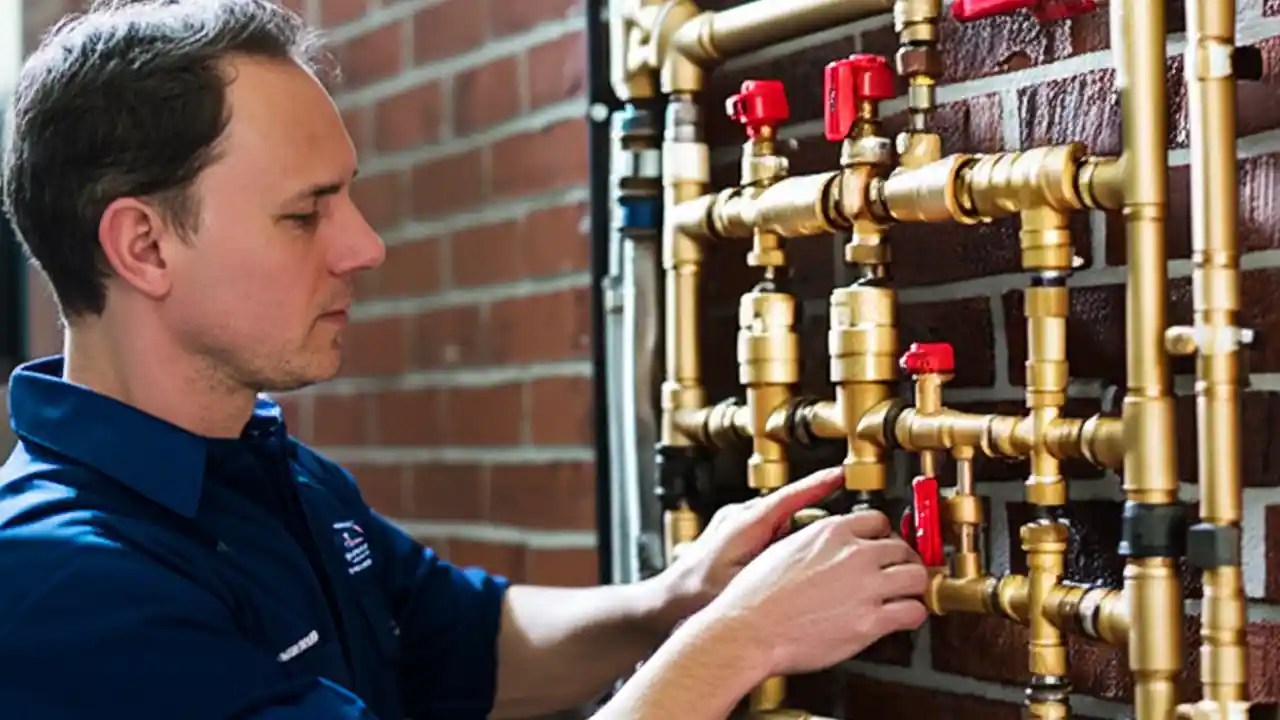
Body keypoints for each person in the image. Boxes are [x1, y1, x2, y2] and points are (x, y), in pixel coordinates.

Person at [0, 1, 930, 718]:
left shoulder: (268, 469)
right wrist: (737, 642)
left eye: (348, 196)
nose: (364, 246)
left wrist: (671, 600)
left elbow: (473, 641)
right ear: (145, 247)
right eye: (303, 212)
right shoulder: (61, 590)